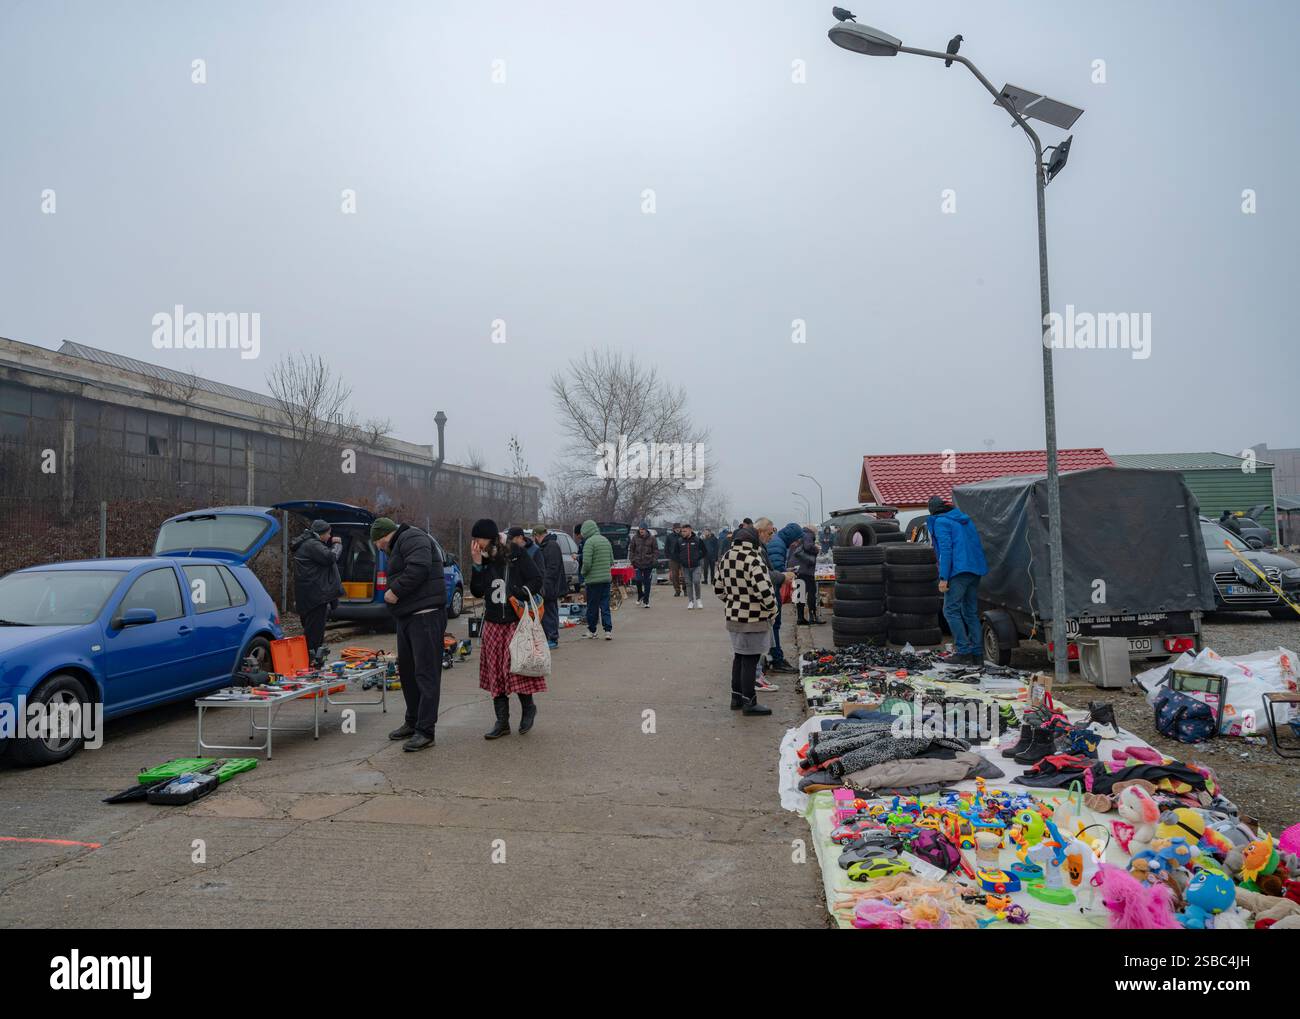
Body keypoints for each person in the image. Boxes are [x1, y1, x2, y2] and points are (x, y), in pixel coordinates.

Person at [371, 516, 446, 752]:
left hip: (425, 615)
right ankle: (412, 722)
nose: (378, 548)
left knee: (425, 674)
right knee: (408, 673)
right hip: (408, 617)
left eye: (377, 543)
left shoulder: (412, 537)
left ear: (382, 536)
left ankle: (425, 731)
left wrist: (396, 590)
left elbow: (419, 567)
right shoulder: (400, 543)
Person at [469, 518, 546, 739]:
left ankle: (528, 707)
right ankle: (502, 722)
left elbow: (536, 579)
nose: (476, 543)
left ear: (490, 537)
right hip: (493, 622)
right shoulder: (483, 559)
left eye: (479, 539)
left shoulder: (515, 553)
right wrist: (475, 564)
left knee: (517, 667)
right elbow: (476, 591)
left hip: (514, 621)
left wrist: (518, 593)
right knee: (496, 673)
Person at [713, 524, 791, 716]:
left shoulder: (726, 557)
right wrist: (772, 609)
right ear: (753, 540)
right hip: (753, 617)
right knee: (750, 659)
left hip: (733, 615)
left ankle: (736, 698)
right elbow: (764, 589)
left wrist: (733, 600)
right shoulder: (753, 558)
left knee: (739, 657)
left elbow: (718, 588)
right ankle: (750, 702)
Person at [927, 495, 989, 666]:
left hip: (958, 571)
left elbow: (946, 551)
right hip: (975, 569)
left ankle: (963, 651)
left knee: (950, 611)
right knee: (970, 613)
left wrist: (943, 578)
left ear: (932, 510)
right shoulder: (962, 519)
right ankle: (977, 654)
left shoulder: (940, 522)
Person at [290, 519, 343, 661]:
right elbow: (331, 557)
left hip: (307, 594)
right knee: (314, 633)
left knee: (310, 630)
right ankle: (312, 661)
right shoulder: (312, 545)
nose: (330, 537)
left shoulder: (306, 543)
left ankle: (310, 659)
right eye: (329, 534)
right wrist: (337, 544)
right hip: (316, 596)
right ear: (322, 533)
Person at [761, 519, 804, 673]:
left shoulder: (778, 542)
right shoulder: (778, 544)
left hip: (770, 588)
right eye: (797, 540)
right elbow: (775, 572)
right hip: (771, 590)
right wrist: (787, 573)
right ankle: (776, 660)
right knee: (774, 625)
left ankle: (774, 657)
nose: (796, 544)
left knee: (772, 626)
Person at [578, 519, 614, 639]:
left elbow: (586, 563)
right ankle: (608, 631)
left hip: (593, 581)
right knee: (605, 605)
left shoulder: (589, 543)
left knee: (592, 606)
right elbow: (611, 561)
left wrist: (583, 573)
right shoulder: (605, 541)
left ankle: (592, 630)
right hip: (606, 580)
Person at [533, 525, 564, 648]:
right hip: (548, 584)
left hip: (550, 585)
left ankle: (553, 638)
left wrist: (545, 584)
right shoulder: (547, 545)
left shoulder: (551, 546)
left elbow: (552, 568)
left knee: (549, 612)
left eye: (535, 536)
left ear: (538, 535)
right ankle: (549, 636)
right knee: (547, 611)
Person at [791, 526, 824, 625]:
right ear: (813, 530)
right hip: (807, 569)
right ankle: (812, 617)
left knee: (800, 594)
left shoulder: (801, 534)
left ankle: (800, 618)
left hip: (798, 568)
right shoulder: (809, 535)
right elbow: (808, 547)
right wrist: (817, 549)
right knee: (811, 592)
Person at [677, 522, 709, 609]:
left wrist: (698, 557)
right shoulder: (680, 541)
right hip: (685, 566)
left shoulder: (697, 540)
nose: (682, 533)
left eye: (684, 531)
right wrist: (681, 560)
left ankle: (698, 599)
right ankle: (690, 601)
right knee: (688, 583)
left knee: (696, 581)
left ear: (690, 530)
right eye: (682, 531)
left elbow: (705, 551)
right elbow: (676, 553)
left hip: (696, 566)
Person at [629, 523, 658, 608]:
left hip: (648, 563)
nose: (641, 530)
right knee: (638, 580)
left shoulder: (652, 538)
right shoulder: (635, 538)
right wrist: (632, 559)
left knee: (647, 582)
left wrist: (654, 560)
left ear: (646, 529)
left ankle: (646, 601)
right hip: (637, 563)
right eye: (640, 529)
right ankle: (640, 594)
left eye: (643, 529)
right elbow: (631, 550)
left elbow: (656, 550)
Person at [665, 523, 684, 596]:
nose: (677, 529)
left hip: (683, 558)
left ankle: (685, 589)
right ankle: (677, 590)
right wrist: (668, 556)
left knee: (684, 575)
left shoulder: (683, 535)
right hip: (673, 559)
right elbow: (666, 547)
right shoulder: (669, 536)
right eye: (676, 528)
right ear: (673, 529)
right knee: (674, 576)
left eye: (679, 528)